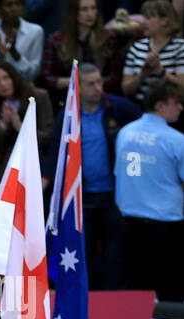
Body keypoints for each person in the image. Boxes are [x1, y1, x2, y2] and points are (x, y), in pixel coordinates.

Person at [52, 62, 138, 289]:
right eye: (91, 84)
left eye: (100, 81)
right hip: (82, 197)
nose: (98, 88)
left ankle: (114, 301)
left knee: (115, 254)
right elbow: (57, 153)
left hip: (114, 196)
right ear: (77, 87)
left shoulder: (122, 109)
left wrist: (134, 176)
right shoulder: (67, 115)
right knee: (85, 253)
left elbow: (139, 138)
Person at [115, 80, 184, 301]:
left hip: (131, 226)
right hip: (166, 229)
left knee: (137, 293)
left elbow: (131, 174)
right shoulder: (176, 140)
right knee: (170, 294)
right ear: (160, 106)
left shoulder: (126, 133)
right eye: (177, 103)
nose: (181, 108)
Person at [0, 58, 53, 177]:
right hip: (7, 172)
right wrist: (3, 124)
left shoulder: (39, 97)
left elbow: (48, 138)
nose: (3, 84)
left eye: (6, 78)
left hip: (36, 170)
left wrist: (20, 126)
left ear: (14, 77)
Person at [40, 0, 125, 96]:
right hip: (66, 96)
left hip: (102, 94)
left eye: (93, 8)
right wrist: (71, 82)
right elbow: (47, 76)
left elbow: (116, 76)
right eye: (84, 9)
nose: (90, 14)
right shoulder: (56, 40)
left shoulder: (109, 38)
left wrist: (91, 83)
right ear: (74, 13)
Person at [120, 0, 184, 108]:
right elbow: (126, 90)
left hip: (171, 110)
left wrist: (160, 71)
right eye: (144, 17)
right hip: (140, 108)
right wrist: (143, 75)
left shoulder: (181, 48)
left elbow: (183, 89)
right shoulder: (136, 48)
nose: (143, 22)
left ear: (164, 20)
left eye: (149, 18)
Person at [0, 0, 45, 82]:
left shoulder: (35, 31)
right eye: (8, 5)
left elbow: (34, 73)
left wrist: (16, 55)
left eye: (18, 4)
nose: (14, 9)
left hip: (22, 88)